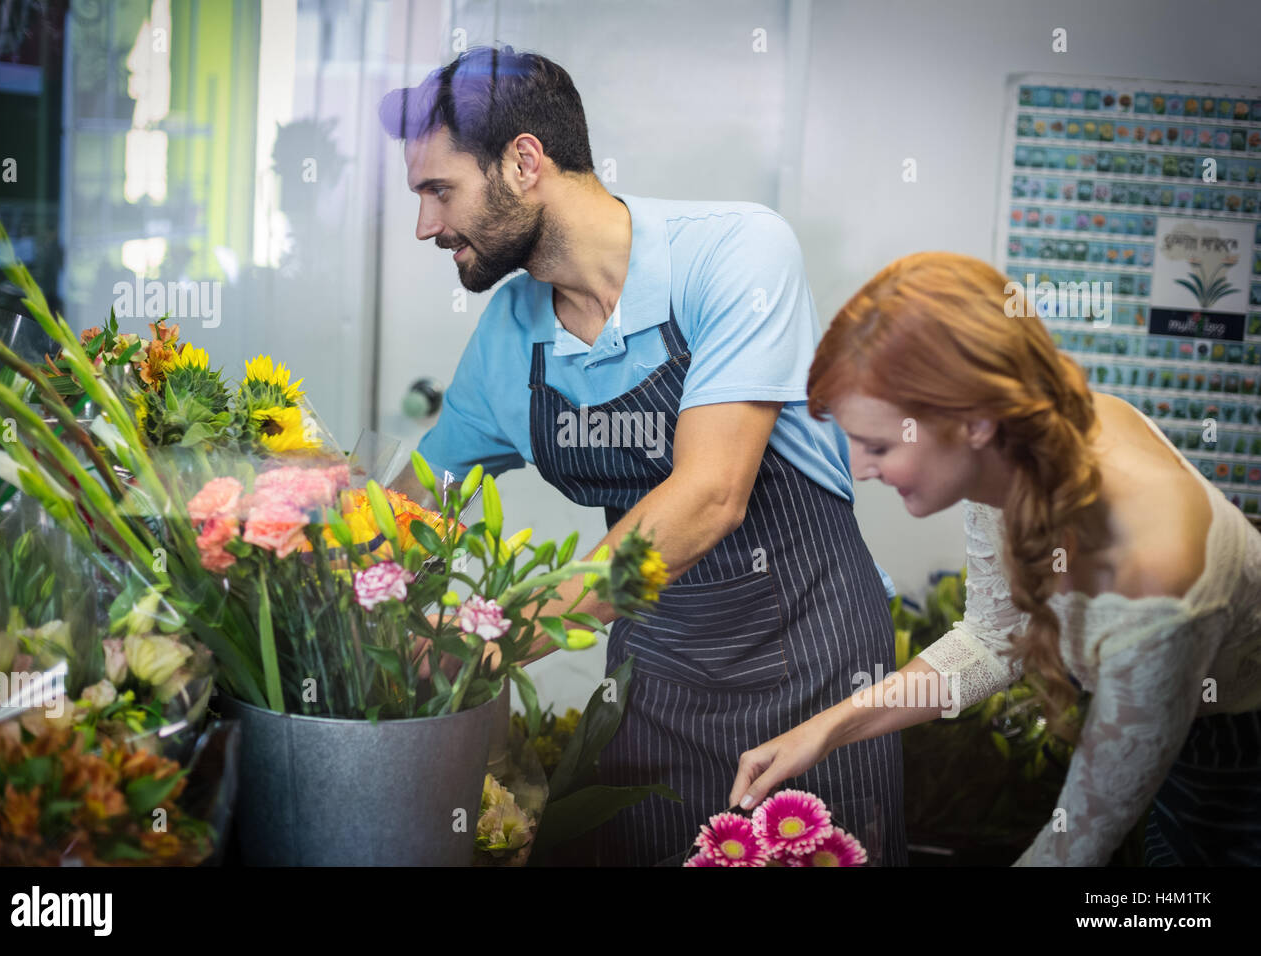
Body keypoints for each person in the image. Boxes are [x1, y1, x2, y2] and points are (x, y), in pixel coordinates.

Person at [378, 46, 908, 866]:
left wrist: (503, 634)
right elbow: (410, 507)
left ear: (524, 161)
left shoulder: (735, 253)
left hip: (812, 679)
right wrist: (315, 567)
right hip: (653, 693)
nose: (425, 226)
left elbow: (709, 496)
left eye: (438, 190)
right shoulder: (509, 336)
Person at [729, 251, 1261, 865]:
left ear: (974, 421)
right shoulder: (1018, 451)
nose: (859, 470)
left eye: (878, 445)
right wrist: (823, 731)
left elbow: (1071, 848)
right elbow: (992, 639)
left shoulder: (1152, 573)